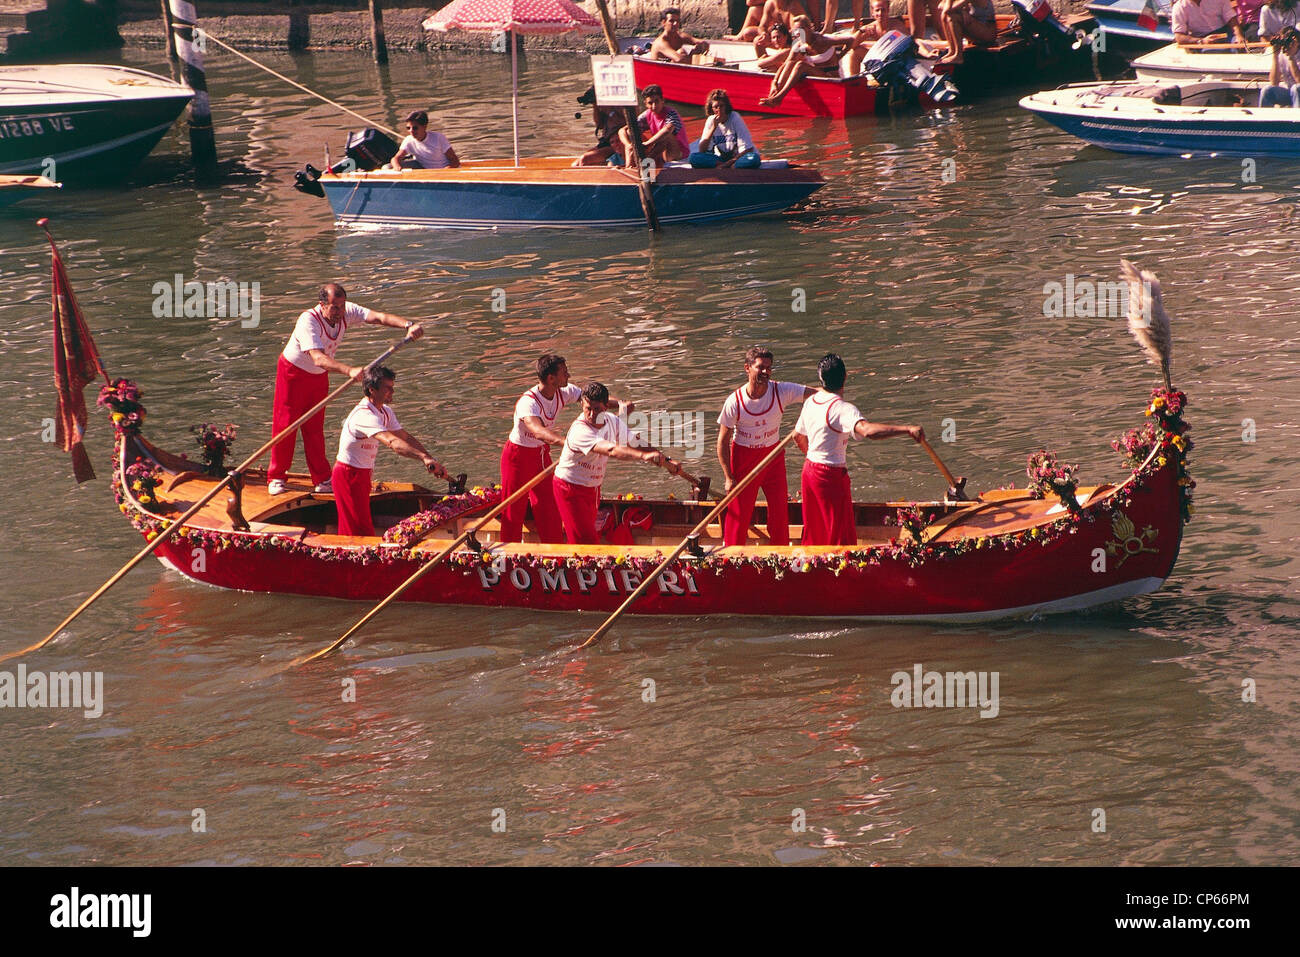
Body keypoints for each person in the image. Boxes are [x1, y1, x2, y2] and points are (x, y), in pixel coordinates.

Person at [267, 284, 421, 497]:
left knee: (314, 428)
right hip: (293, 373)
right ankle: (276, 477)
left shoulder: (346, 311)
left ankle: (321, 478)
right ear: (322, 305)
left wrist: (408, 325)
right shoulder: (308, 320)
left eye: (341, 306)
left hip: (319, 377)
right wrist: (349, 370)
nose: (340, 312)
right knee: (287, 425)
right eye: (334, 307)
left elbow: (377, 317)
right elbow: (318, 358)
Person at [794, 353, 925, 546]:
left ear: (821, 378)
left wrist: (815, 462)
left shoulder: (811, 402)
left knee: (816, 530)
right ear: (845, 377)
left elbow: (798, 436)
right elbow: (868, 431)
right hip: (830, 476)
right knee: (839, 534)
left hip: (809, 472)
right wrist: (906, 429)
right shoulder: (843, 408)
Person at [499, 354, 627, 544]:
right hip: (518, 457)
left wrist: (622, 404)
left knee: (549, 508)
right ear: (551, 379)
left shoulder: (564, 391)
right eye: (564, 372)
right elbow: (539, 432)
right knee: (513, 510)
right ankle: (507, 557)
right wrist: (569, 443)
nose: (569, 375)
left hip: (541, 457)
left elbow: (594, 398)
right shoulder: (529, 403)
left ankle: (555, 553)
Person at [552, 382, 681, 545]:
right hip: (570, 489)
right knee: (584, 543)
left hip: (592, 487)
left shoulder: (612, 421)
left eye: (596, 409)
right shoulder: (580, 430)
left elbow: (635, 442)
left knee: (587, 536)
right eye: (587, 409)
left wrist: (666, 460)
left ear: (606, 407)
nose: (591, 414)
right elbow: (612, 450)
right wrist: (643, 456)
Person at [331, 366, 448, 537]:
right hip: (348, 476)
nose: (392, 391)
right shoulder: (364, 415)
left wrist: (430, 459)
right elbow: (393, 442)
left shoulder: (385, 411)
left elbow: (405, 438)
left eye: (392, 387)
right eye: (387, 388)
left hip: (363, 474)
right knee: (356, 531)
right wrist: (423, 458)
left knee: (361, 525)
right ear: (372, 389)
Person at [716, 347, 815, 547]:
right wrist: (728, 478)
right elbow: (722, 442)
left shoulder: (781, 390)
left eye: (768, 368)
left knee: (780, 511)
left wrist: (834, 394)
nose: (765, 373)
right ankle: (731, 555)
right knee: (739, 514)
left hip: (773, 457)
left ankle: (781, 553)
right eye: (760, 368)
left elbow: (814, 393)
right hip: (744, 459)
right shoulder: (734, 402)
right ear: (747, 368)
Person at [760, 15, 845, 106]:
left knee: (800, 65)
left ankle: (779, 98)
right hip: (818, 76)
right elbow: (786, 64)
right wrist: (774, 82)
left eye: (801, 28)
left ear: (808, 28)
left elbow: (850, 40)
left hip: (834, 80)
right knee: (791, 64)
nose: (797, 32)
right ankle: (774, 95)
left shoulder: (821, 40)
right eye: (795, 29)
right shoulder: (799, 44)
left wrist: (840, 56)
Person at [618, 84, 691, 166]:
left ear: (662, 100)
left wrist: (648, 143)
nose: (654, 106)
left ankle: (645, 163)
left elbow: (667, 130)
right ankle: (629, 166)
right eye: (650, 103)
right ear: (645, 104)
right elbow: (622, 130)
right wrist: (628, 145)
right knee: (630, 132)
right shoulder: (647, 114)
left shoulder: (671, 113)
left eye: (657, 101)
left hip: (678, 155)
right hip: (660, 153)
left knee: (665, 136)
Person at [691, 89, 762, 168]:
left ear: (726, 106)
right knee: (694, 158)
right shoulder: (711, 120)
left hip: (739, 157)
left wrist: (728, 163)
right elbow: (702, 150)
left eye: (721, 106)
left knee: (753, 159)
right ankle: (724, 166)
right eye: (716, 107)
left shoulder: (735, 117)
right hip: (721, 159)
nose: (719, 110)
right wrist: (713, 127)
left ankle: (732, 166)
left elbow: (747, 149)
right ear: (712, 109)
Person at [572, 87, 627, 167]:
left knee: (585, 159)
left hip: (619, 142)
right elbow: (599, 125)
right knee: (575, 164)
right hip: (607, 143)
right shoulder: (602, 107)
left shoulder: (621, 104)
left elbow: (623, 122)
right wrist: (595, 106)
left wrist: (608, 110)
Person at [389, 110, 460, 170]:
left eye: (415, 128)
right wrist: (397, 168)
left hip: (443, 170)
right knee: (387, 167)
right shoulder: (408, 140)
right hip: (423, 169)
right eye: (408, 128)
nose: (411, 131)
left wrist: (445, 171)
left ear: (424, 127)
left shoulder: (438, 138)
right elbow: (395, 158)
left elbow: (455, 161)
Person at [938, 0, 999, 65]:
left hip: (988, 34)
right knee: (944, 15)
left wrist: (961, 11)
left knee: (953, 17)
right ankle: (952, 51)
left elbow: (948, 10)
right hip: (976, 32)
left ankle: (959, 55)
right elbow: (940, 6)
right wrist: (962, 11)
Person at [1172, 0, 1248, 46]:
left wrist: (1239, 36)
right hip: (1201, 37)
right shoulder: (1179, 7)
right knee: (1215, 52)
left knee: (1241, 46)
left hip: (1226, 32)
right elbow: (1179, 37)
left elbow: (1231, 18)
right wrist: (1201, 41)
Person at [1259, 26, 1300, 105]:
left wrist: (1291, 57)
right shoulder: (1282, 55)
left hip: (1297, 91)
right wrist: (1275, 56)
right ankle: (1263, 116)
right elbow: (1274, 82)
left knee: (1296, 88)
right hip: (1289, 92)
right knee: (1267, 90)